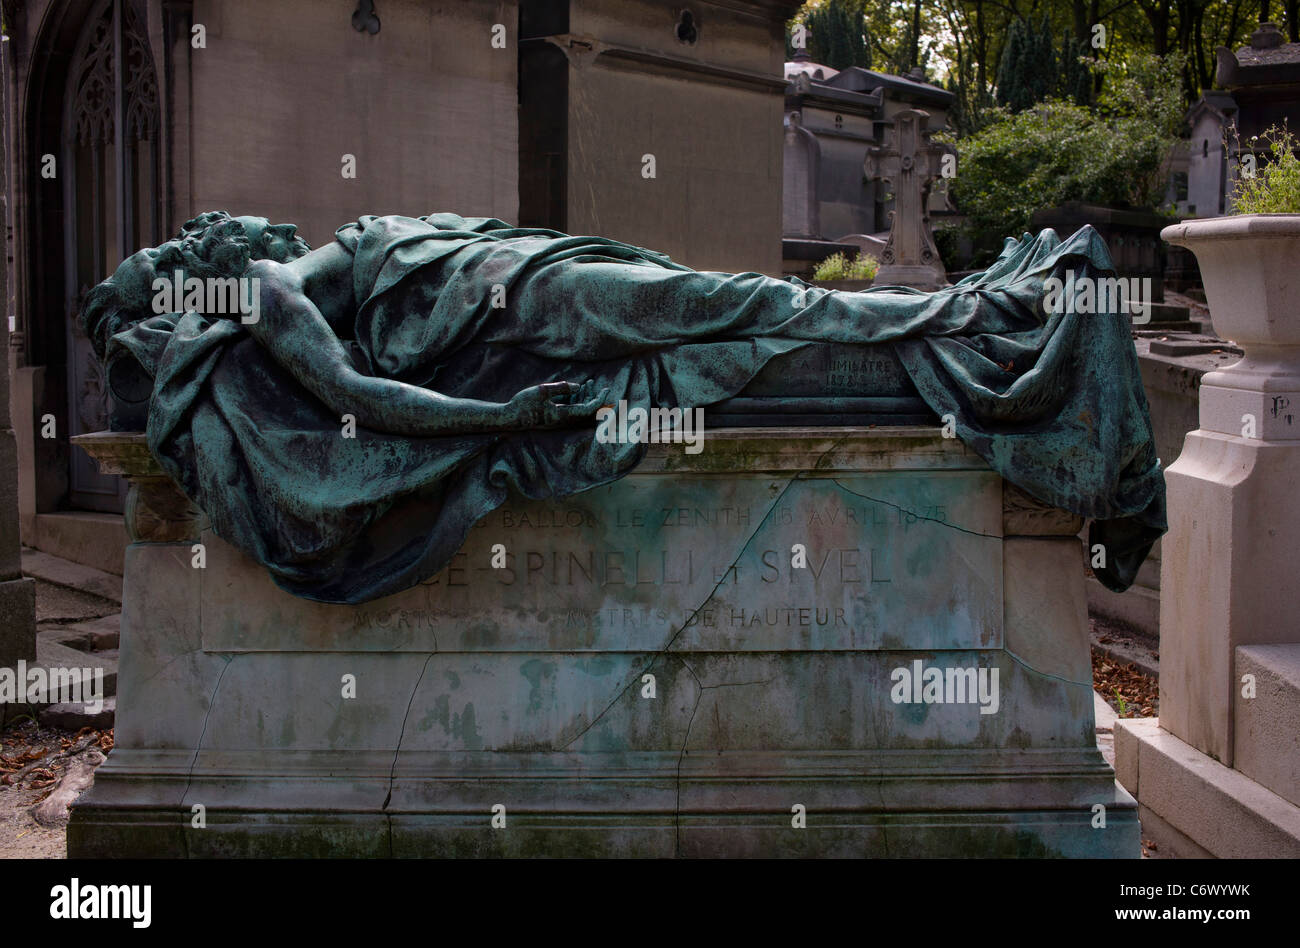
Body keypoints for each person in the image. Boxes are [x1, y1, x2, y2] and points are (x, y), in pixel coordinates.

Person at [81, 211, 1165, 604]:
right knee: (714, 305)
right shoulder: (258, 293)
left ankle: (966, 313)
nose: (218, 225)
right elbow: (362, 399)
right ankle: (975, 318)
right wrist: (505, 422)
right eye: (181, 249)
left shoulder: (288, 269)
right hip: (501, 313)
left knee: (712, 302)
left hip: (488, 274)